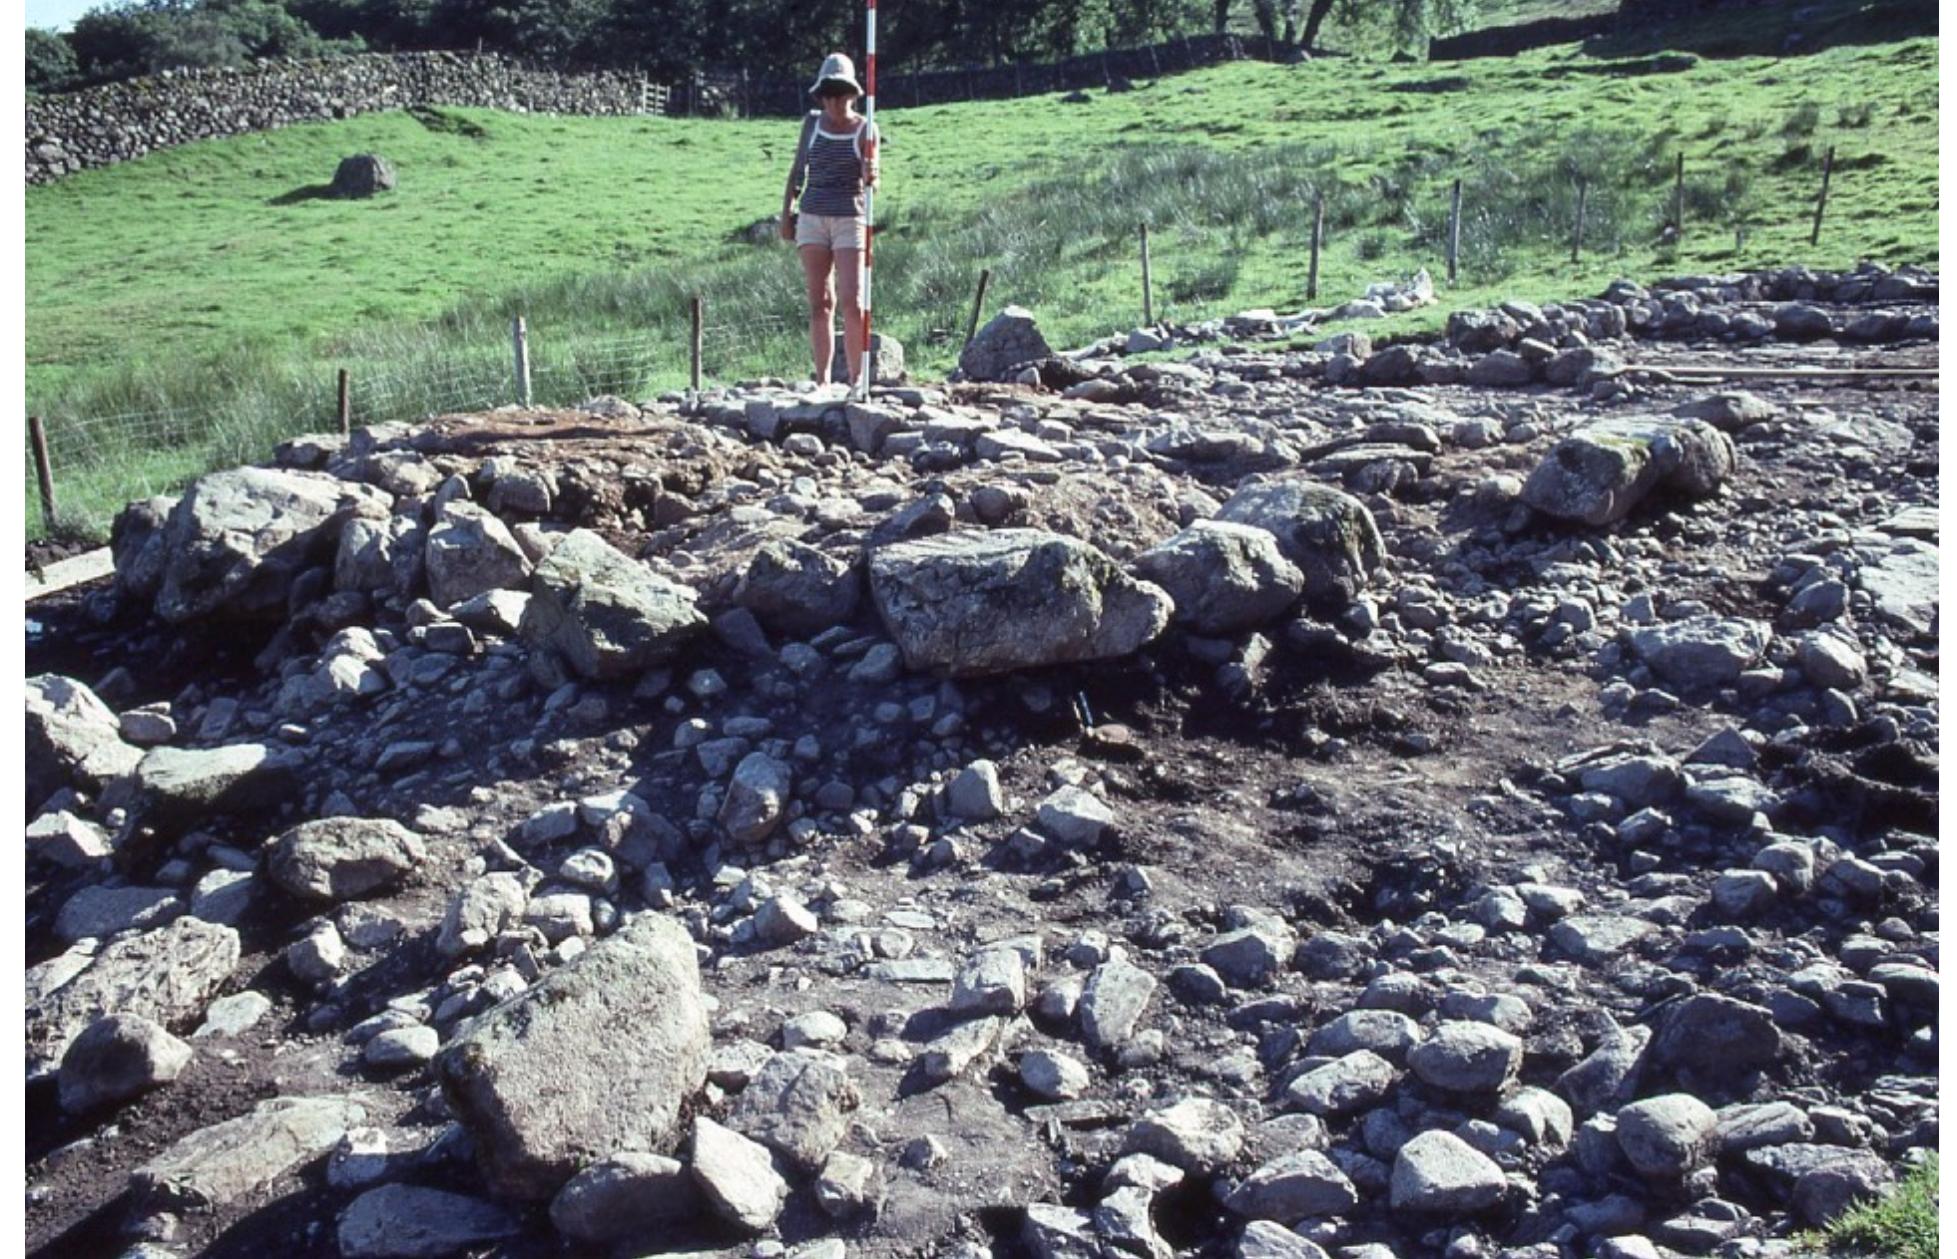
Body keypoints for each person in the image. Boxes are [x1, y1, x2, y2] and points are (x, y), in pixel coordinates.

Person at [781, 53, 880, 387]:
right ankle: (822, 379)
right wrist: (786, 214)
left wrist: (871, 174)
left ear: (852, 95)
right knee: (821, 301)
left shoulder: (866, 128)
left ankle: (856, 378)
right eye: (830, 95)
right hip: (812, 217)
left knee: (852, 301)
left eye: (842, 94)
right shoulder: (811, 123)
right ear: (822, 96)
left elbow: (873, 180)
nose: (836, 102)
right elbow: (798, 171)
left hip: (850, 217)